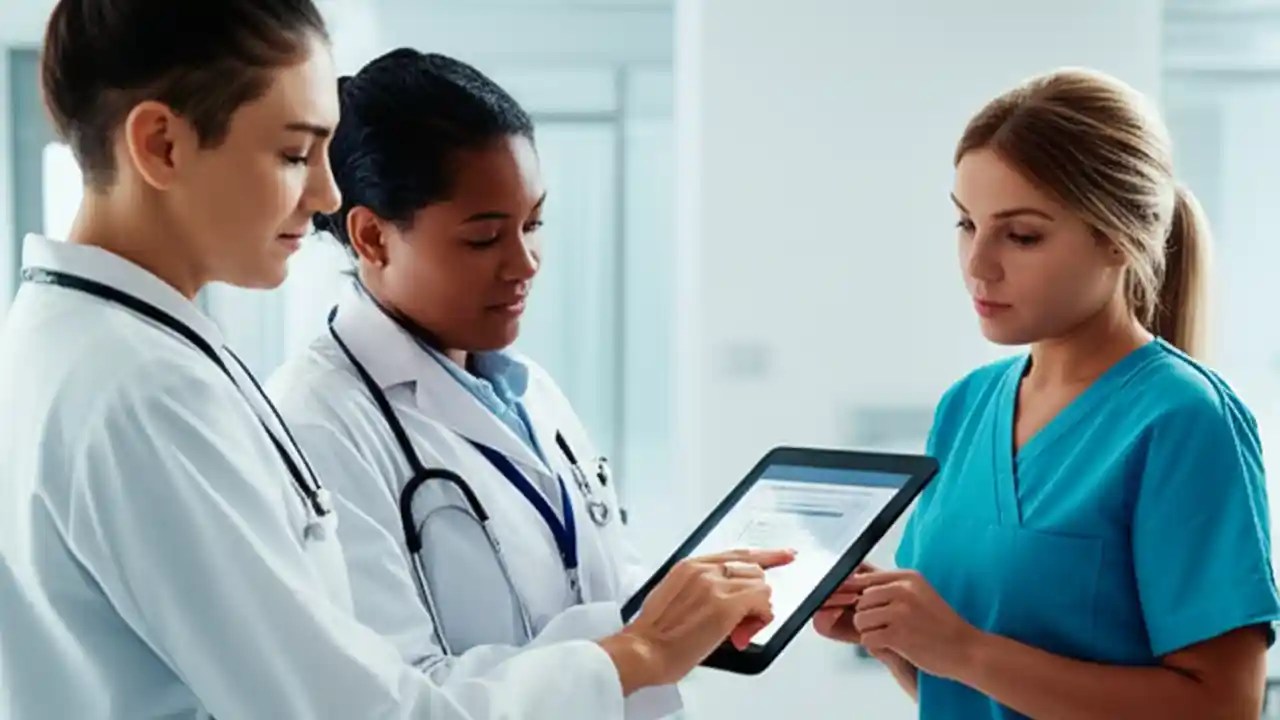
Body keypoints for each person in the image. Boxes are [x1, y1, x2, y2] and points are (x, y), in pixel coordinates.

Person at [0, 3, 789, 718]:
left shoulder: (92, 346)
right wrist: (636, 653)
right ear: (161, 144)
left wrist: (670, 625)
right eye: (293, 153)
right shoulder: (142, 390)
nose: (325, 199)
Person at [266, 48, 723, 719]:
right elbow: (392, 696)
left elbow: (604, 585)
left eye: (532, 223)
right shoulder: (315, 423)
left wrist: (705, 601)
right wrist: (637, 651)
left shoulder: (529, 391)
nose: (526, 262)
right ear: (372, 237)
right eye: (484, 239)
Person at [815, 68, 1280, 718]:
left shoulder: (1184, 420)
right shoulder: (966, 407)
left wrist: (964, 649)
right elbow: (977, 697)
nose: (979, 264)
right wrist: (897, 641)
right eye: (966, 224)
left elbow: (1223, 707)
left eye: (1022, 235)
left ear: (1117, 237)